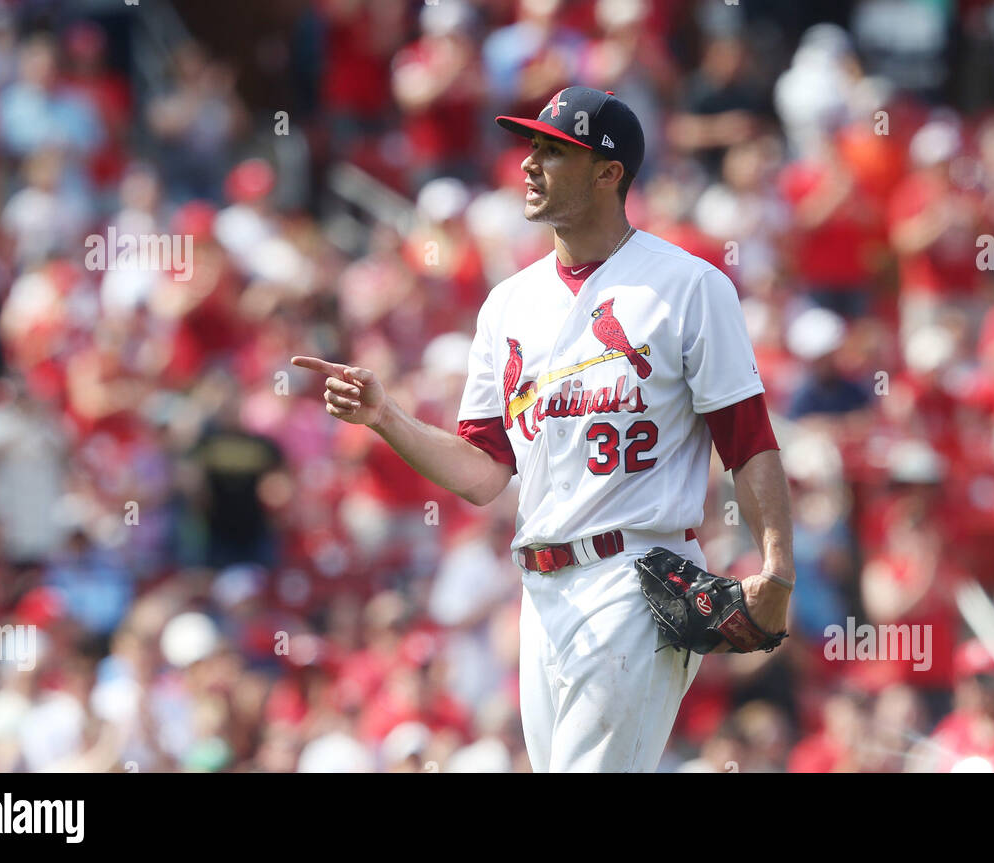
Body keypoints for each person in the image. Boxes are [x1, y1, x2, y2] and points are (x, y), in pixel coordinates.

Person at [293, 86, 793, 772]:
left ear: (608, 172)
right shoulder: (508, 304)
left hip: (635, 575)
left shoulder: (687, 286)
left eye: (553, 151)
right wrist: (387, 417)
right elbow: (481, 471)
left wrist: (777, 567)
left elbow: (748, 438)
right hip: (540, 587)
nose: (529, 165)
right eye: (531, 147)